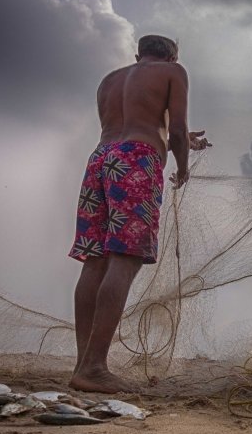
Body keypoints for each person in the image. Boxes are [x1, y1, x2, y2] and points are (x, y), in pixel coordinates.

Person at [68, 34, 209, 393]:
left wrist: (180, 137)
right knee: (124, 259)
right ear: (172, 55)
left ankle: (83, 364)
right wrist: (183, 165)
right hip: (136, 161)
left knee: (95, 261)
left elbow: (141, 122)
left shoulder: (111, 80)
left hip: (101, 159)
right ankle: (96, 367)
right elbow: (172, 129)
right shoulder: (174, 71)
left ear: (138, 55)